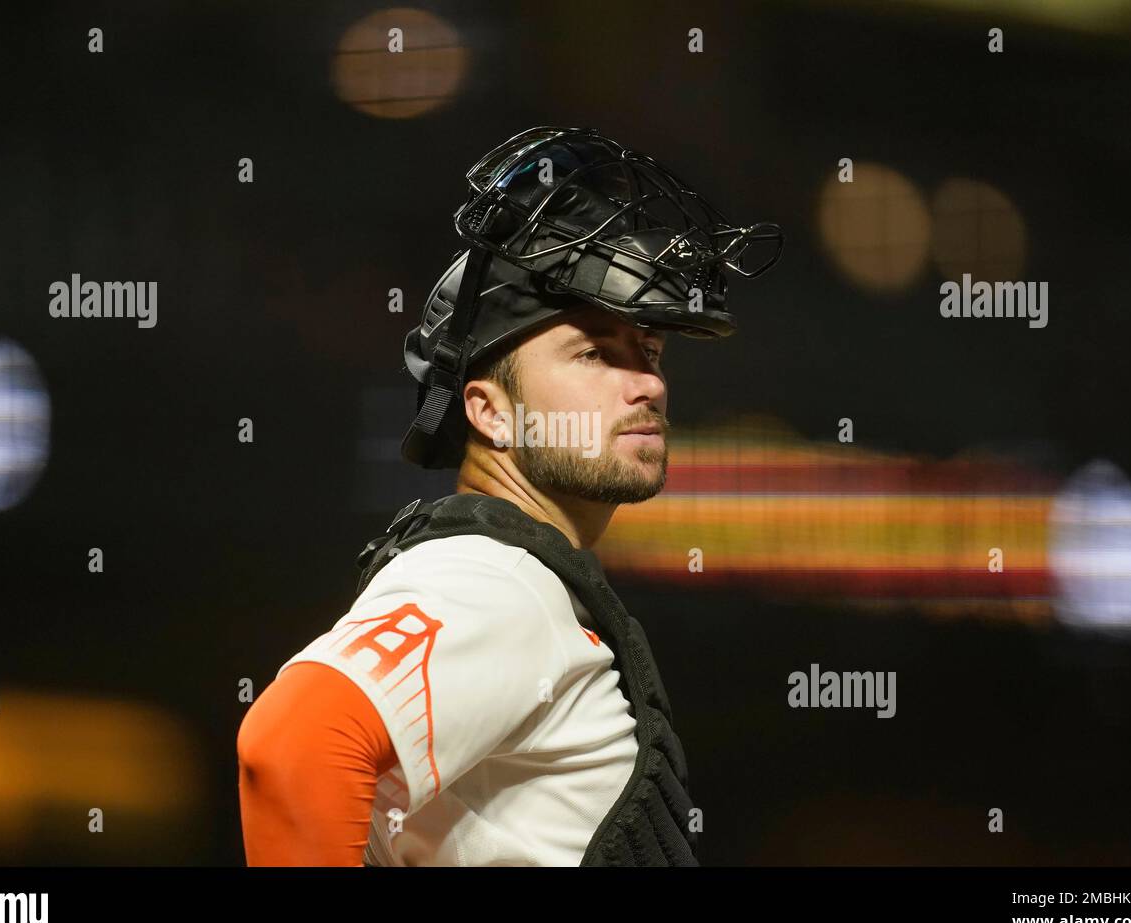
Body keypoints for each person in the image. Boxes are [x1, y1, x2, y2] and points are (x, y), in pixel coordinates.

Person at [236, 126, 783, 866]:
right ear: (490, 410)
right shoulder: (494, 578)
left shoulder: (521, 580)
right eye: (593, 352)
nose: (647, 382)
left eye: (648, 353)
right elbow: (294, 744)